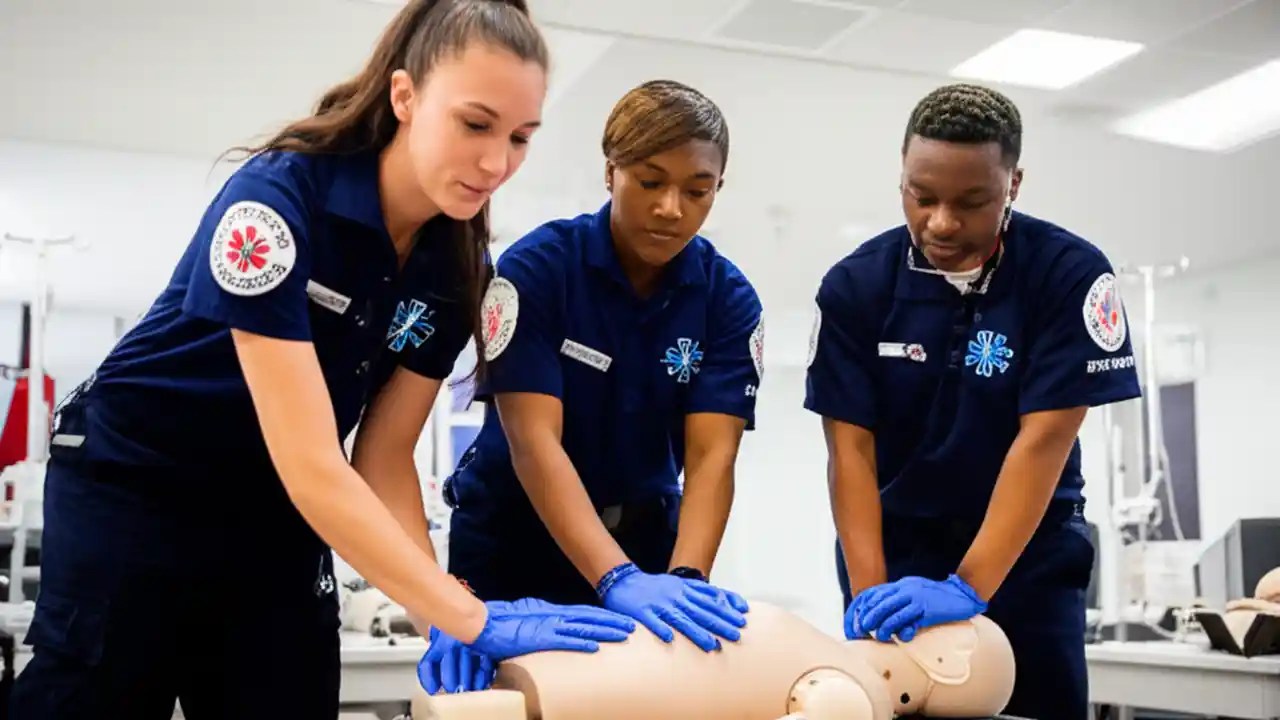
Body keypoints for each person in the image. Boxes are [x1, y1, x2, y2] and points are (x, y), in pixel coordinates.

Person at [9, 2, 640, 718]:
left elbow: (384, 456)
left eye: (521, 136)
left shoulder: (456, 265)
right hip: (137, 480)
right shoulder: (276, 202)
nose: (497, 163)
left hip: (272, 507)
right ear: (405, 96)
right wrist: (475, 618)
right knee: (97, 695)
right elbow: (314, 461)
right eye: (474, 124)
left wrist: (437, 609)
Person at [804, 83, 1141, 720]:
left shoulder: (1068, 274)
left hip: (1028, 557)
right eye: (921, 196)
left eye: (972, 201)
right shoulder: (856, 285)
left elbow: (1044, 439)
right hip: (895, 549)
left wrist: (969, 585)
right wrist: (873, 597)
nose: (941, 222)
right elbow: (849, 450)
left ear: (1014, 183)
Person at [439, 79, 763, 668]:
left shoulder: (728, 299)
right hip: (512, 544)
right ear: (611, 171)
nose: (672, 208)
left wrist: (684, 579)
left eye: (698, 190)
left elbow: (713, 455)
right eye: (650, 182)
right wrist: (611, 576)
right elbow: (534, 442)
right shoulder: (539, 270)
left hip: (644, 547)